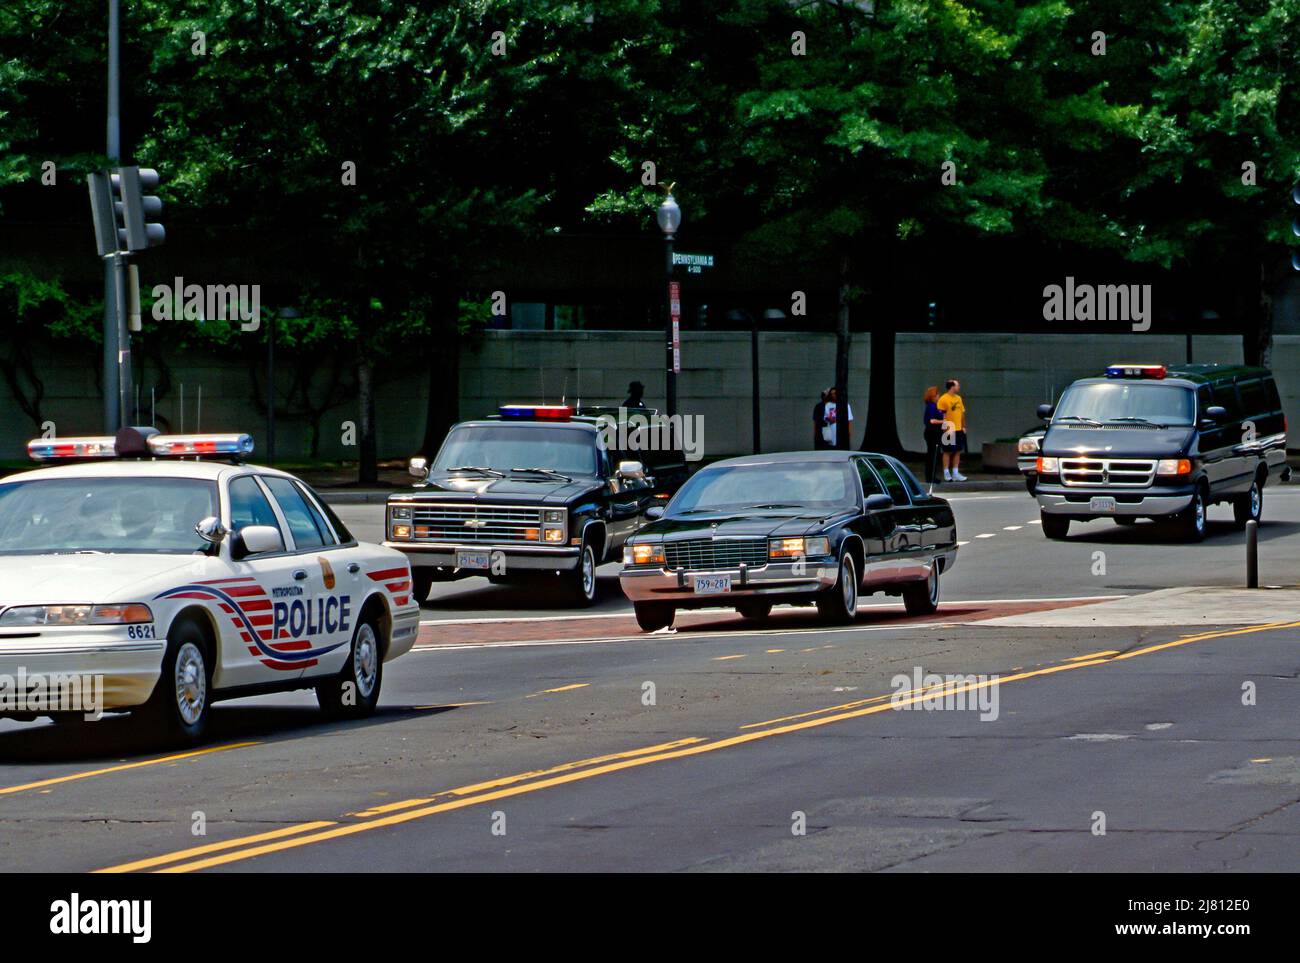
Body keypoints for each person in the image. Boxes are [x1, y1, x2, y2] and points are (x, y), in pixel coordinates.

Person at [937, 378, 968, 482]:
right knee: (947, 451)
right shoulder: (943, 399)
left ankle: (955, 472)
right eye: (957, 385)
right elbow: (941, 415)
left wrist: (964, 426)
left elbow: (962, 413)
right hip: (949, 428)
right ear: (952, 387)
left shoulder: (958, 398)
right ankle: (946, 472)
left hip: (958, 428)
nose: (958, 387)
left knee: (958, 451)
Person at [922, 386, 944, 483]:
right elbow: (932, 420)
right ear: (933, 396)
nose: (938, 396)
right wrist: (943, 421)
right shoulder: (931, 406)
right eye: (937, 394)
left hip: (935, 432)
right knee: (933, 454)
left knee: (934, 454)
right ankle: (930, 477)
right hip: (932, 433)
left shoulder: (935, 406)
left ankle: (931, 475)